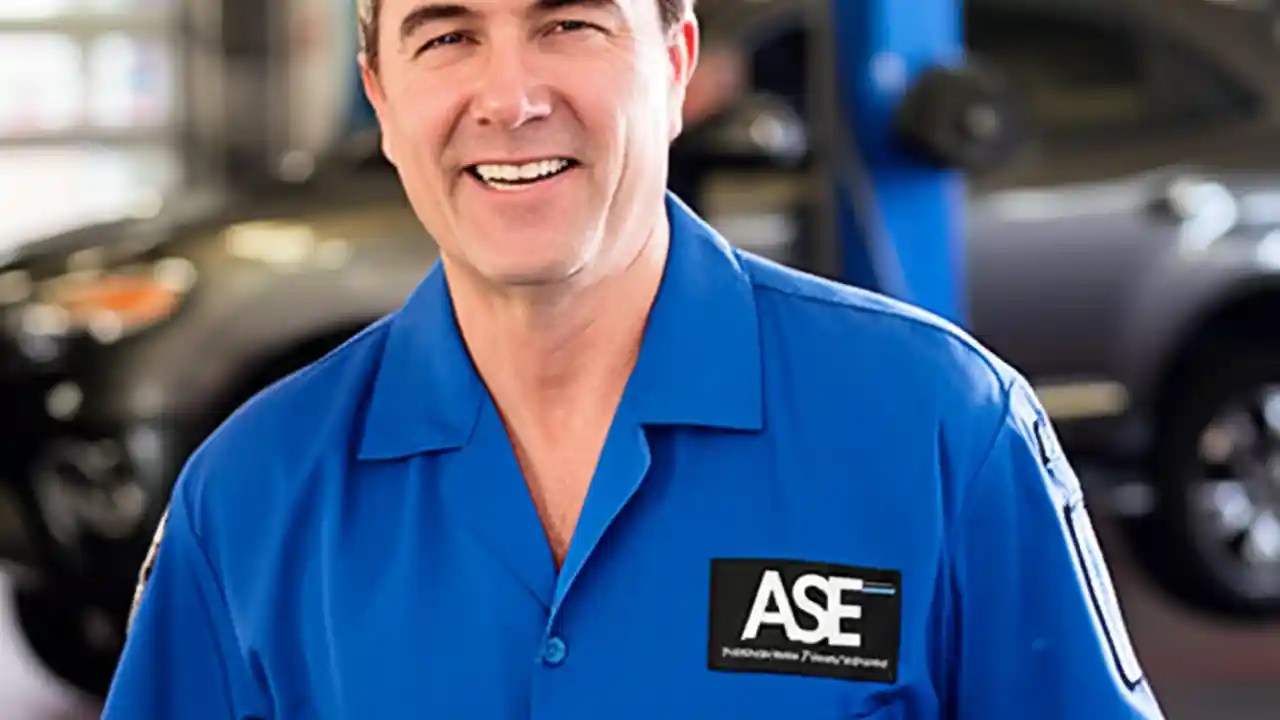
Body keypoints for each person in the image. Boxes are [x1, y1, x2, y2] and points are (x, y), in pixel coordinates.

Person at [103, 0, 1164, 717]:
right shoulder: (251, 500)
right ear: (381, 99)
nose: (509, 99)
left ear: (674, 64)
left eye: (567, 24)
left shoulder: (939, 431)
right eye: (446, 36)